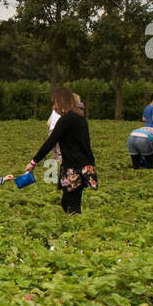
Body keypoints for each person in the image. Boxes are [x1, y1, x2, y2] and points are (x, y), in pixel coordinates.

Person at [25, 86, 97, 214]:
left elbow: (50, 142)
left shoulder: (67, 119)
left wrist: (33, 162)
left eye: (55, 102)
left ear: (62, 101)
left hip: (75, 167)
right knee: (68, 203)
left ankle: (78, 231)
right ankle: (77, 229)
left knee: (71, 206)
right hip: (82, 164)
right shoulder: (79, 117)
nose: (54, 107)